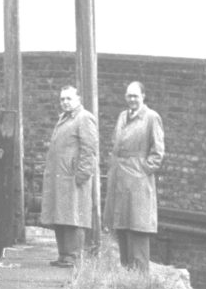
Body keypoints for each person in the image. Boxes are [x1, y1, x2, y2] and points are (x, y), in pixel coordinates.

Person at [103, 81, 165, 272]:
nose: (132, 100)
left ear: (143, 96)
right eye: (129, 96)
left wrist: (142, 170)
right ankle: (126, 275)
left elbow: (158, 152)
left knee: (138, 227)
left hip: (138, 182)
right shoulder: (122, 116)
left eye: (135, 96)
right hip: (120, 179)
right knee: (121, 225)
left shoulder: (151, 117)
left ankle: (139, 281)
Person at [39, 85, 99, 266]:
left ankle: (73, 257)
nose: (65, 102)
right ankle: (63, 255)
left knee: (73, 216)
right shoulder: (64, 118)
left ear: (78, 99)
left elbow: (89, 149)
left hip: (73, 177)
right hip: (60, 177)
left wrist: (82, 174)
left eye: (69, 98)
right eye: (62, 99)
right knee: (60, 215)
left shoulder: (84, 118)